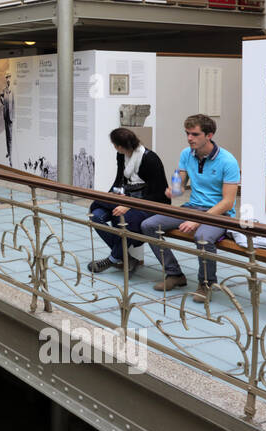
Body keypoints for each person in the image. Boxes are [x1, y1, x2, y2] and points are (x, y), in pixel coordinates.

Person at [140, 114, 241, 304]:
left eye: (194, 134)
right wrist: (174, 190)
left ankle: (207, 283)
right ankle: (174, 274)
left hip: (220, 213)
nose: (189, 138)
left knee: (202, 237)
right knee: (148, 225)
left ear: (209, 135)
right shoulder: (186, 153)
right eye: (187, 133)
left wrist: (198, 220)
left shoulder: (228, 161)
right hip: (192, 207)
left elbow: (227, 202)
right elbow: (180, 180)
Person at [88, 128, 169, 273]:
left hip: (147, 202)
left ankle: (112, 259)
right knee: (95, 215)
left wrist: (128, 205)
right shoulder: (121, 156)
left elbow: (159, 193)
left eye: (114, 144)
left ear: (119, 146)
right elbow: (119, 180)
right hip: (126, 197)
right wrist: (110, 196)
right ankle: (126, 258)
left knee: (125, 219)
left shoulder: (150, 159)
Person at [0, 74, 14, 166]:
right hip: (5, 116)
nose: (8, 80)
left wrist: (13, 117)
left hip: (10, 117)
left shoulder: (13, 91)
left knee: (10, 138)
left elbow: (14, 104)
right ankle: (8, 152)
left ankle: (11, 158)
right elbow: (0, 96)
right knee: (7, 136)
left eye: (9, 79)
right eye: (7, 79)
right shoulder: (4, 90)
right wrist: (2, 101)